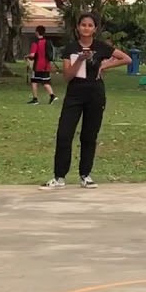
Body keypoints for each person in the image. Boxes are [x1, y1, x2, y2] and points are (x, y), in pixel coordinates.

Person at [40, 13, 129, 190]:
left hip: (95, 94)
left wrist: (104, 65)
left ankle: (85, 175)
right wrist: (80, 59)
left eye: (90, 25)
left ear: (95, 29)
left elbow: (126, 58)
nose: (86, 28)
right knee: (64, 134)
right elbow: (67, 76)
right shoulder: (71, 48)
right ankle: (59, 177)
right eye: (83, 25)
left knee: (89, 135)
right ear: (78, 27)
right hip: (74, 94)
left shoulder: (101, 47)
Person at [26, 26, 57, 105]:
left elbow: (32, 55)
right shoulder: (47, 42)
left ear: (36, 32)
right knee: (46, 82)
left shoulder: (35, 43)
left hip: (38, 66)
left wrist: (27, 56)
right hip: (46, 65)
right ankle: (52, 96)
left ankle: (35, 99)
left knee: (34, 81)